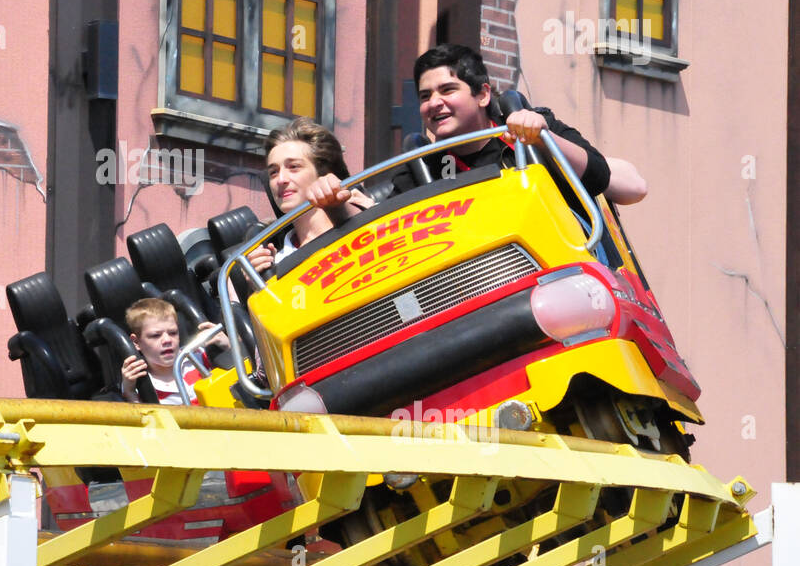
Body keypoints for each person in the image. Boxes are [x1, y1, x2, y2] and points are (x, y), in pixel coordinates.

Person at [390, 44, 611, 201]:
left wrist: (543, 138)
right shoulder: (422, 166)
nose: (434, 103)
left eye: (448, 90)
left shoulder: (529, 126)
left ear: (483, 96)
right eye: (425, 96)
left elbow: (599, 176)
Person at [248, 118, 375, 275]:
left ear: (325, 173)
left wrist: (350, 209)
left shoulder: (373, 220)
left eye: (294, 167)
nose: (280, 180)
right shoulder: (277, 265)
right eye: (273, 172)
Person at [119, 297, 226, 405]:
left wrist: (229, 346)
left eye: (173, 333)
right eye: (156, 335)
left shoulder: (200, 355)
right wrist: (130, 393)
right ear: (136, 342)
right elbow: (145, 418)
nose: (167, 340)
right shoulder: (140, 383)